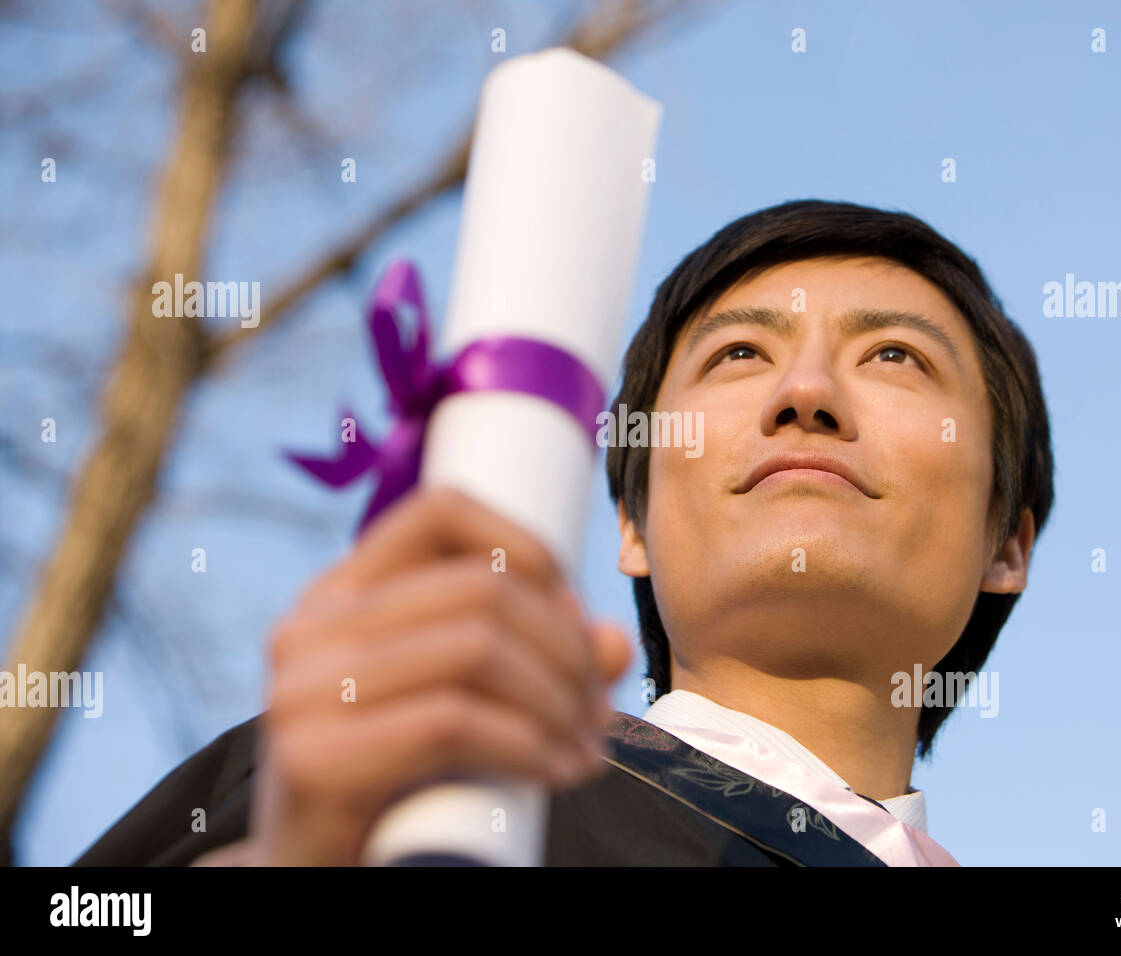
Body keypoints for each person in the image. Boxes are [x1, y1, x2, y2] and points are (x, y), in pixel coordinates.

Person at [73, 199, 1054, 867]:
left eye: (893, 355)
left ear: (1005, 543)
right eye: (741, 352)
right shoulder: (380, 767)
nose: (805, 394)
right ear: (630, 522)